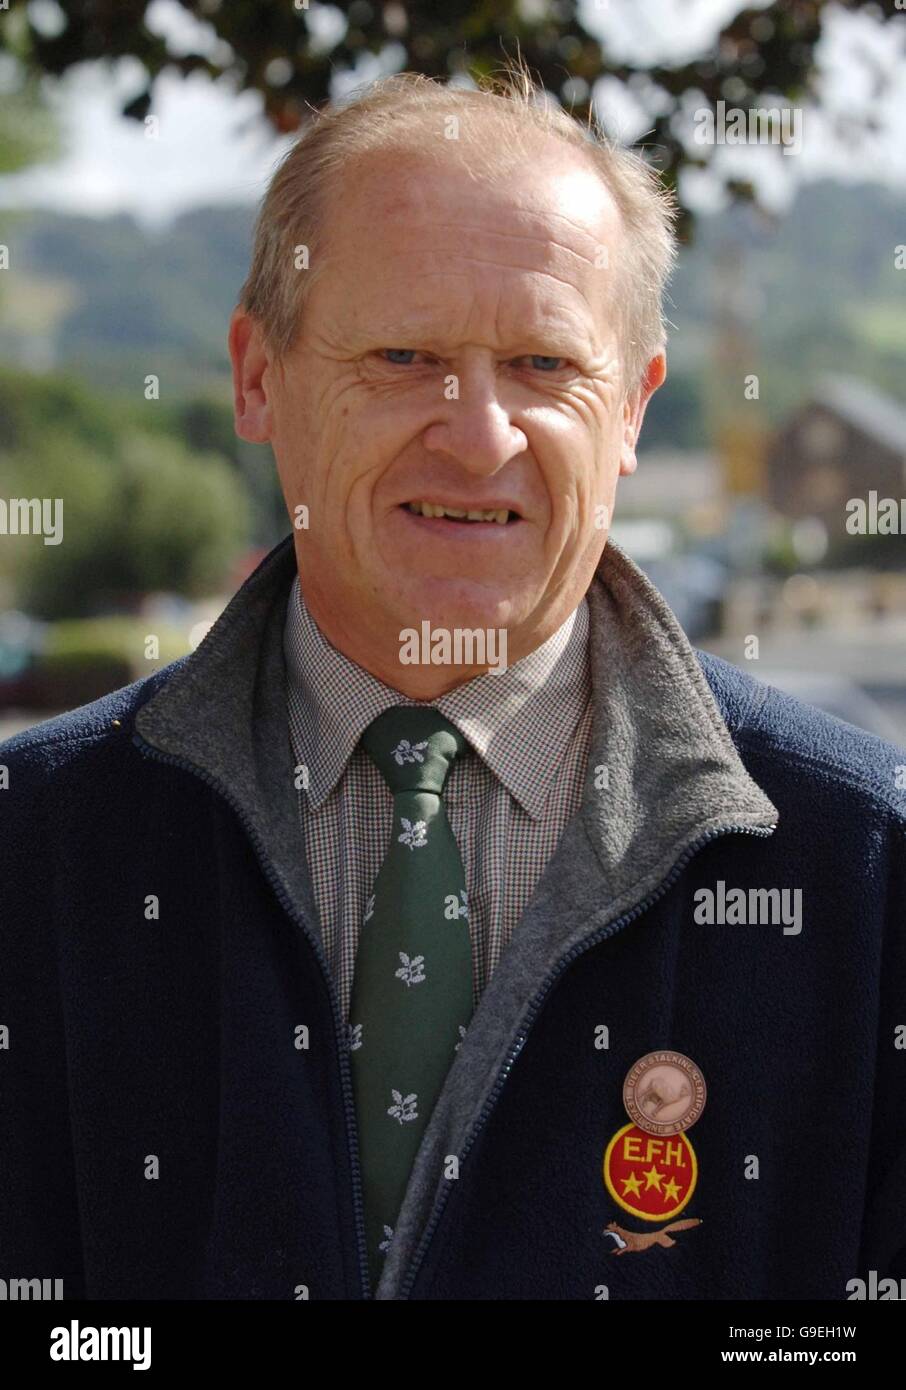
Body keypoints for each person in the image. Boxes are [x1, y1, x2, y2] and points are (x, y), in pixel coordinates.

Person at [1, 64, 904, 1303]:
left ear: (634, 408)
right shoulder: (30, 852)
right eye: (404, 353)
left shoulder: (866, 866)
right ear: (257, 377)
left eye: (543, 364)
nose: (479, 435)